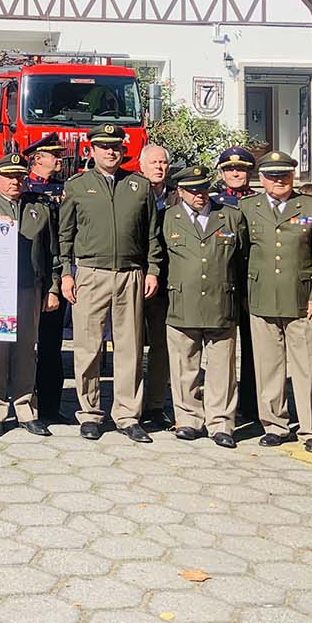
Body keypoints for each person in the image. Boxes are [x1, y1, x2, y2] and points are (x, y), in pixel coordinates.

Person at [58, 123, 163, 442]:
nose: (111, 151)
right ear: (92, 150)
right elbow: (66, 234)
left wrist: (153, 268)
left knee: (129, 347)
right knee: (87, 347)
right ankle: (90, 413)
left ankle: (127, 414)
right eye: (104, 146)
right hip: (90, 273)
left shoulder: (139, 186)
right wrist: (65, 272)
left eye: (116, 146)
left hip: (131, 273)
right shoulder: (77, 186)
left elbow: (152, 234)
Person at [242, 151, 312, 454]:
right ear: (262, 179)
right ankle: (275, 424)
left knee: (306, 367)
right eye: (272, 176)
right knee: (269, 366)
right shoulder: (248, 208)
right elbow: (240, 256)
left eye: (284, 175)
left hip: (302, 300)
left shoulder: (310, 207)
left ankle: (311, 428)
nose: (278, 181)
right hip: (262, 297)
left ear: (293, 177)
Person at [159, 164, 246, 448]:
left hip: (221, 300)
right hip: (182, 300)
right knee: (185, 365)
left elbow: (242, 259)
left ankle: (220, 422)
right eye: (192, 190)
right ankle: (188, 419)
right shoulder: (167, 219)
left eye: (203, 189)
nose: (199, 195)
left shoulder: (230, 216)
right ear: (180, 192)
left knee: (222, 366)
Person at [0, 152, 59, 437]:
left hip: (28, 288)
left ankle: (25, 407)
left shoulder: (39, 208)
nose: (15, 182)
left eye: (20, 176)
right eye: (9, 177)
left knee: (26, 350)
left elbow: (51, 254)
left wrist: (52, 288)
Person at [23, 134, 69, 424]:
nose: (59, 159)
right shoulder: (23, 188)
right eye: (54, 155)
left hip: (56, 274)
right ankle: (25, 403)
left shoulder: (66, 190)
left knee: (52, 346)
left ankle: (51, 407)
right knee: (25, 346)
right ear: (38, 158)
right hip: (28, 277)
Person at [212, 146, 259, 422]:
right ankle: (222, 405)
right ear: (222, 172)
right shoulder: (215, 202)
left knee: (256, 350)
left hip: (254, 284)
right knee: (223, 350)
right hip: (225, 282)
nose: (235, 173)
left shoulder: (258, 202)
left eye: (240, 169)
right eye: (230, 169)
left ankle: (253, 405)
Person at [138, 143, 173, 429]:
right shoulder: (131, 192)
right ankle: (130, 403)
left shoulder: (177, 197)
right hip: (134, 278)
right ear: (141, 166)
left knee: (161, 346)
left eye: (163, 163)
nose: (159, 167)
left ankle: (156, 404)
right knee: (130, 345)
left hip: (166, 283)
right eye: (153, 163)